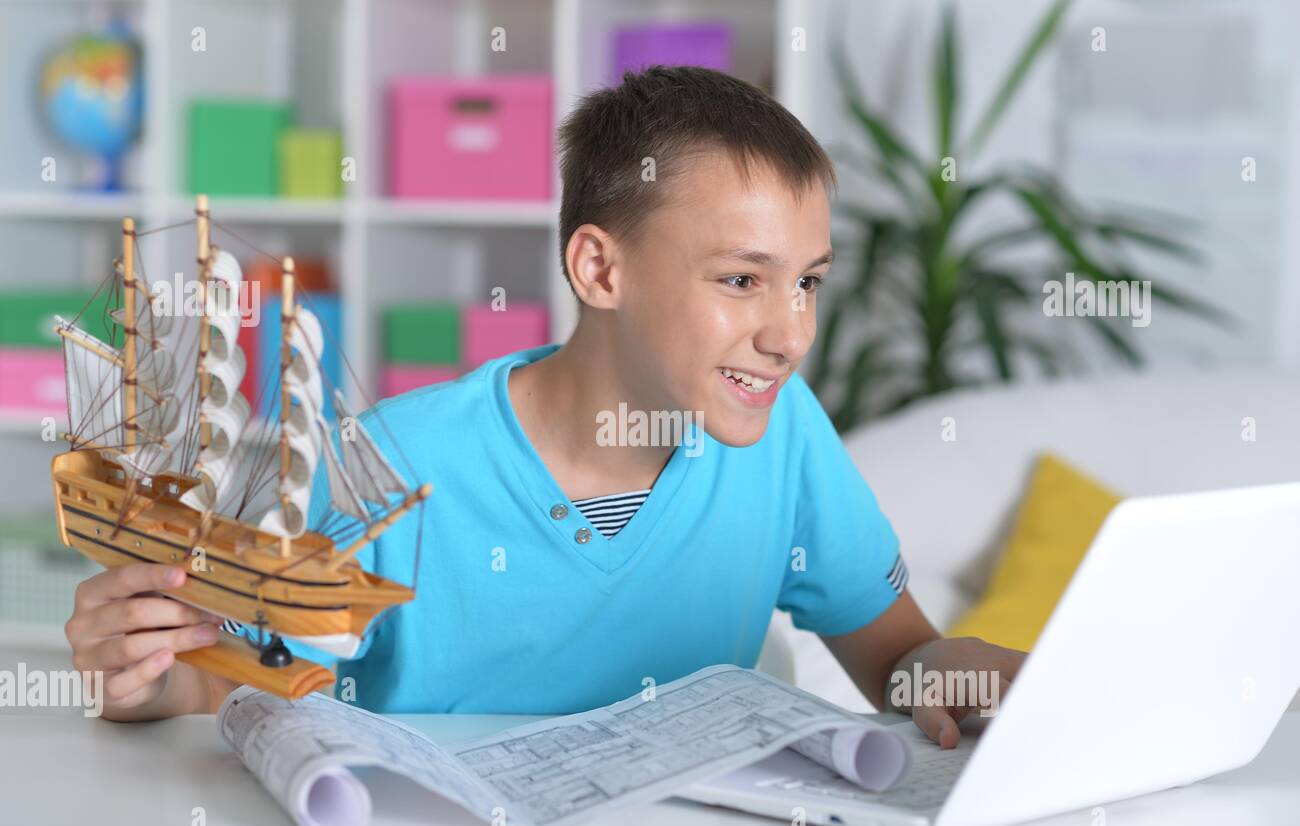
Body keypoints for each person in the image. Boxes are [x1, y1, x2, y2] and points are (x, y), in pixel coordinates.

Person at [64, 66, 1023, 742]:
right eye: (742, 280)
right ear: (599, 267)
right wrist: (145, 677)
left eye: (808, 281)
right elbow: (219, 681)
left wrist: (959, 671)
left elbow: (899, 660)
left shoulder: (785, 438)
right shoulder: (393, 464)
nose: (792, 331)